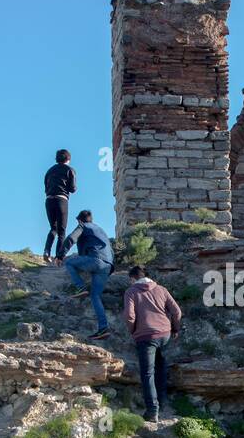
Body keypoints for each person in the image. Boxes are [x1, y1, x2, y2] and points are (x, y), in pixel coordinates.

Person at [122, 264, 181, 422]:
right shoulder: (161, 289)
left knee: (147, 373)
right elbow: (176, 312)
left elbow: (129, 316)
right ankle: (162, 403)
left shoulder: (131, 291)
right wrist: (175, 329)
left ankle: (152, 411)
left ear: (133, 278)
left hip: (146, 337)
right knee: (161, 369)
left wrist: (134, 331)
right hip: (165, 334)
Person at [58, 209, 114, 340]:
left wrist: (60, 255)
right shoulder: (101, 230)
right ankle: (103, 328)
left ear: (79, 220)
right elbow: (110, 249)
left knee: (69, 263)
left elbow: (71, 238)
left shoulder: (83, 226)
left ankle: (81, 287)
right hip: (108, 265)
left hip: (95, 260)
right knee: (95, 296)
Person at [42, 150, 77, 264]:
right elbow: (73, 188)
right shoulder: (69, 170)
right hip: (61, 200)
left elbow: (46, 187)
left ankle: (47, 251)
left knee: (53, 228)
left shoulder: (49, 171)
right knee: (62, 231)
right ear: (68, 159)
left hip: (49, 200)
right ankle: (58, 258)